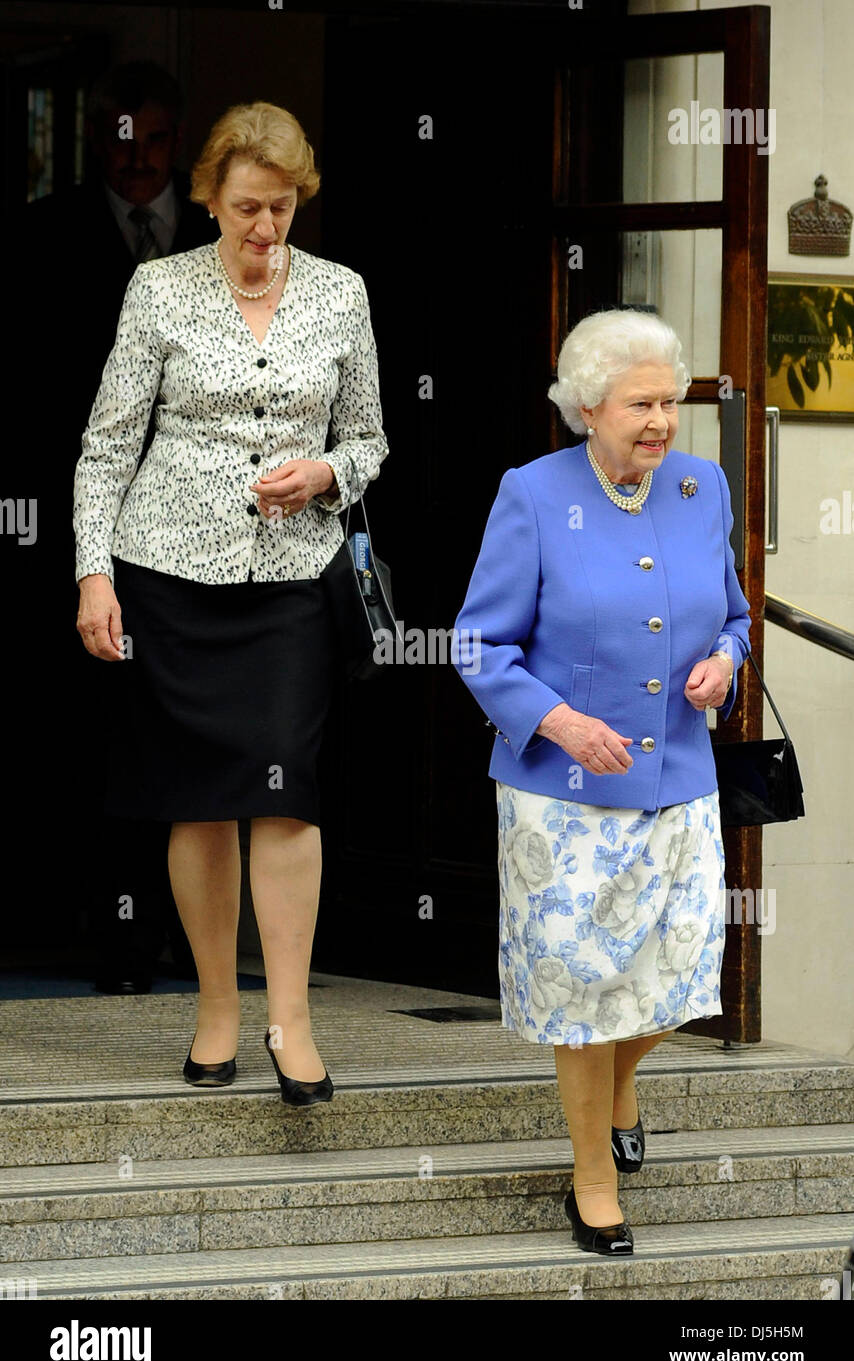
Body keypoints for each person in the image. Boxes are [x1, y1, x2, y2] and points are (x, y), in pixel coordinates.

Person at [73, 100, 388, 1104]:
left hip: (293, 579)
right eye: (247, 208)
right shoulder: (157, 287)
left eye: (282, 211)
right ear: (208, 198)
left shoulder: (340, 294)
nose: (263, 230)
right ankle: (216, 1006)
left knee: (285, 792)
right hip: (169, 573)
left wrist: (324, 474)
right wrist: (93, 571)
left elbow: (372, 438)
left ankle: (289, 1019)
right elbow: (108, 444)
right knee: (201, 800)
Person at [452, 308, 750, 1254]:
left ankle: (619, 1081)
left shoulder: (704, 487)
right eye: (643, 404)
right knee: (584, 991)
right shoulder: (533, 496)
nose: (664, 421)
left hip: (680, 781)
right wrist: (559, 721)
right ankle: (591, 1181)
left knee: (681, 971)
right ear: (589, 408)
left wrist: (726, 664)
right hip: (563, 794)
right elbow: (478, 643)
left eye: (673, 400)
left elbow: (734, 614)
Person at [17, 61, 219, 994]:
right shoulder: (43, 234)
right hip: (81, 528)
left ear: (183, 144)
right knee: (90, 734)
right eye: (120, 138)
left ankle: (185, 935)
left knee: (189, 732)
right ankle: (109, 931)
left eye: (157, 138)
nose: (138, 159)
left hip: (208, 533)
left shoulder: (229, 236)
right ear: (97, 141)